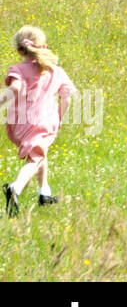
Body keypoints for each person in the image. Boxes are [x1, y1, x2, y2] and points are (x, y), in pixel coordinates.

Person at [2, 27, 77, 216]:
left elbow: (16, 89)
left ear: (20, 50)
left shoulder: (17, 69)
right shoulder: (56, 71)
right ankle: (15, 188)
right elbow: (66, 97)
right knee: (35, 157)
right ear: (43, 46)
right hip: (45, 122)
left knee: (39, 152)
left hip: (21, 122)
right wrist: (59, 117)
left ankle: (45, 193)